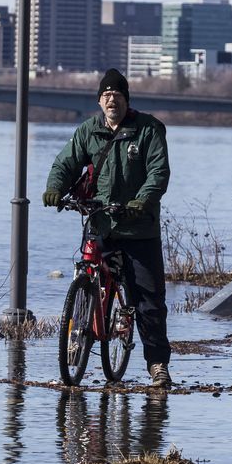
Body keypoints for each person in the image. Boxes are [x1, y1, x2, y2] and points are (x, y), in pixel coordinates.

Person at [42, 68, 173, 388]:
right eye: (106, 95)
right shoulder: (88, 131)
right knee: (87, 272)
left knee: (149, 300)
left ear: (127, 99)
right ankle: (78, 338)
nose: (111, 100)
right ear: (99, 100)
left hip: (138, 228)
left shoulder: (148, 130)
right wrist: (54, 187)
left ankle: (158, 365)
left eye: (117, 95)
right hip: (100, 221)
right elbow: (65, 163)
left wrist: (142, 200)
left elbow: (158, 172)